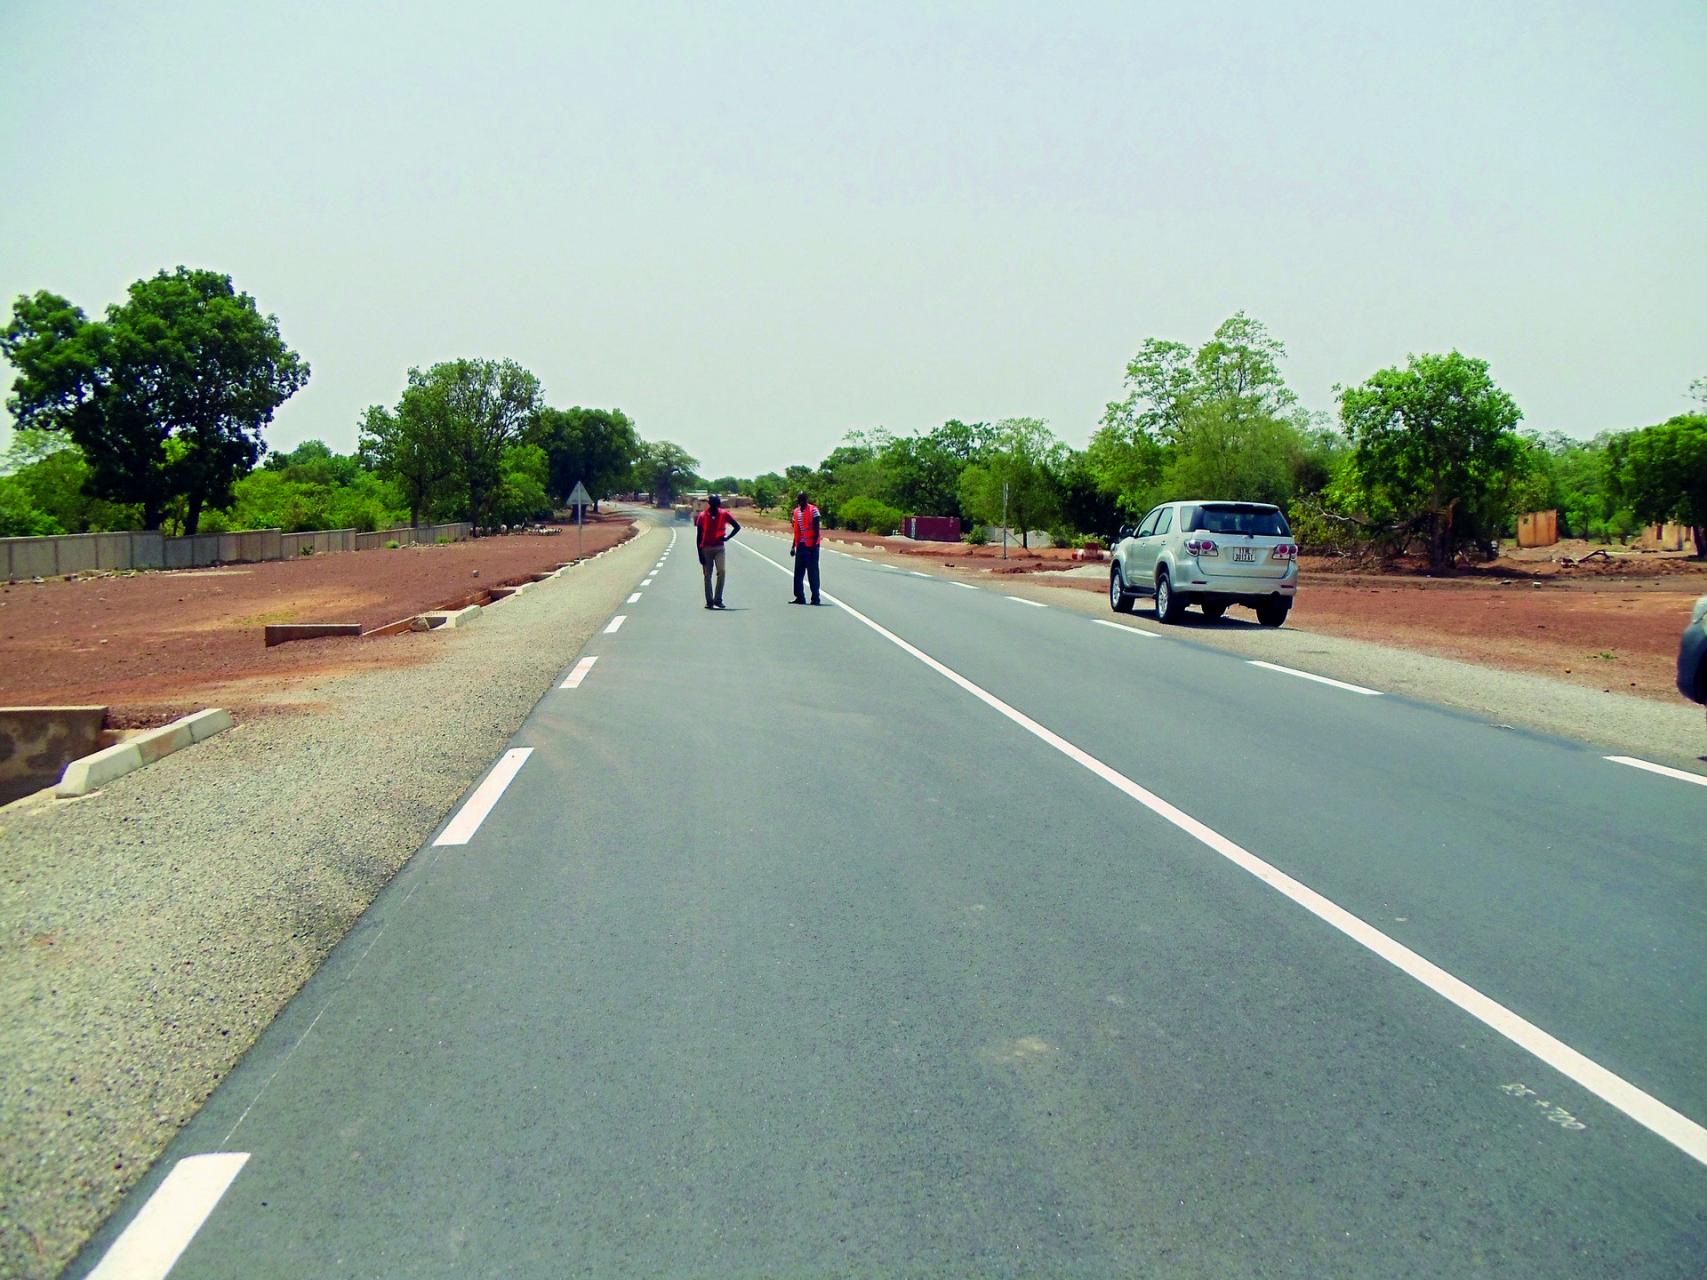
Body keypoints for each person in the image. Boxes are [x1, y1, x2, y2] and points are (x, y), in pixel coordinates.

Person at [693, 495, 740, 609]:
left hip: (719, 548)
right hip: (706, 549)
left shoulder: (724, 514)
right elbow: (699, 536)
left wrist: (727, 538)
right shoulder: (702, 516)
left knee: (722, 571)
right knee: (707, 575)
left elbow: (736, 526)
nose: (716, 505)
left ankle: (718, 600)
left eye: (717, 503)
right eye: (714, 503)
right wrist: (700, 554)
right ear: (710, 503)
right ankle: (709, 601)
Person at [789, 490, 823, 604]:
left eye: (802, 500)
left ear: (806, 499)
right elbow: (796, 531)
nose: (800, 502)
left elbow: (817, 530)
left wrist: (813, 547)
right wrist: (793, 546)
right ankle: (799, 597)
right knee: (798, 573)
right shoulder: (796, 512)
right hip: (801, 546)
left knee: (812, 573)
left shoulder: (813, 510)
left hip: (812, 546)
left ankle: (815, 598)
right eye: (799, 500)